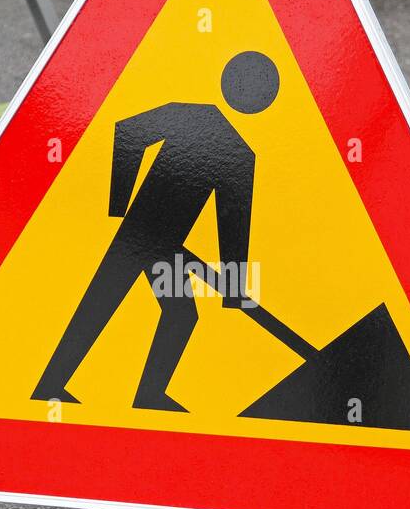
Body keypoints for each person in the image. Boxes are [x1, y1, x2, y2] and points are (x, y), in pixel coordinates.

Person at [32, 50, 280, 411]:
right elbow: (233, 225)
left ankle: (122, 393)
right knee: (108, 305)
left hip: (159, 243)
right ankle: (61, 386)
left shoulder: (216, 135)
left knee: (157, 311)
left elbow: (232, 224)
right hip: (142, 236)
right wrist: (118, 206)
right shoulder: (237, 151)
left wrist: (232, 287)